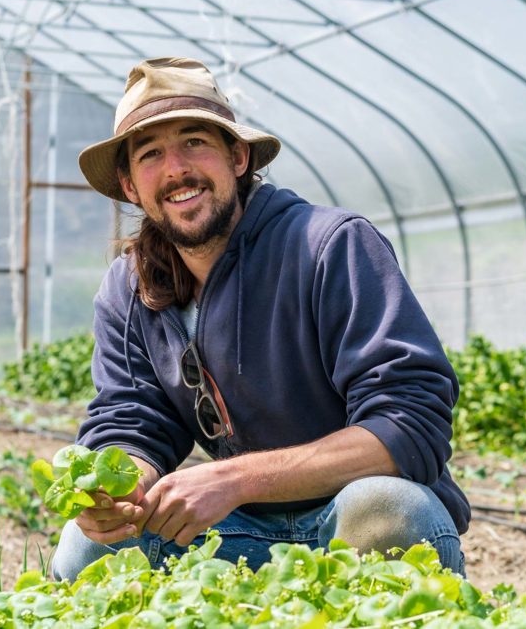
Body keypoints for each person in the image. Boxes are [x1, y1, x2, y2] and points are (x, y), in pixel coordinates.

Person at [50, 57, 470, 580]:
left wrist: (236, 480)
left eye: (195, 142)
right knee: (85, 551)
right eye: (151, 153)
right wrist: (122, 487)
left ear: (239, 157)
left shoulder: (328, 247)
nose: (176, 168)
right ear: (131, 185)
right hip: (235, 535)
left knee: (388, 509)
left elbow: (410, 425)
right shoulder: (129, 291)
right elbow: (132, 420)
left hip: (343, 524)